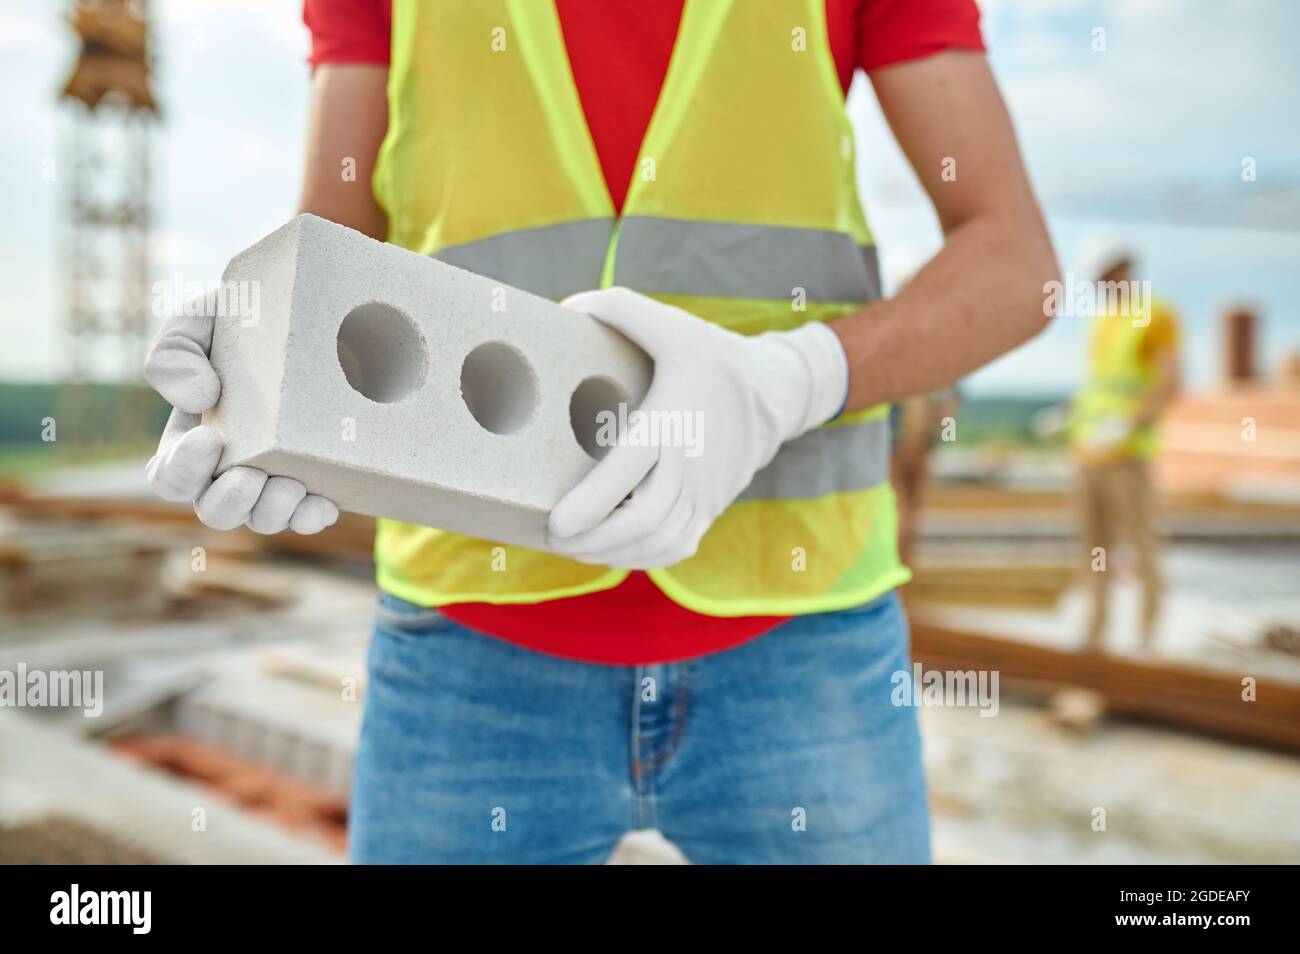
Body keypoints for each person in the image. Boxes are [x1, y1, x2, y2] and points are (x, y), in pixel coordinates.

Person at [144, 0, 1056, 864]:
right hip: (470, 641)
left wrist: (791, 380)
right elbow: (336, 249)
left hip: (801, 630)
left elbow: (1016, 262)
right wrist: (256, 363)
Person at [1068, 252, 1181, 653]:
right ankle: (1095, 633)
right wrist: (1073, 423)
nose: (1101, 285)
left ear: (1123, 269)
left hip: (1128, 454)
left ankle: (1147, 637)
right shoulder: (1104, 320)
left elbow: (1168, 383)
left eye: (1105, 275)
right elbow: (1101, 387)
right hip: (1090, 452)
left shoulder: (1155, 315)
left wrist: (1126, 426)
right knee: (1095, 548)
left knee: (1141, 544)